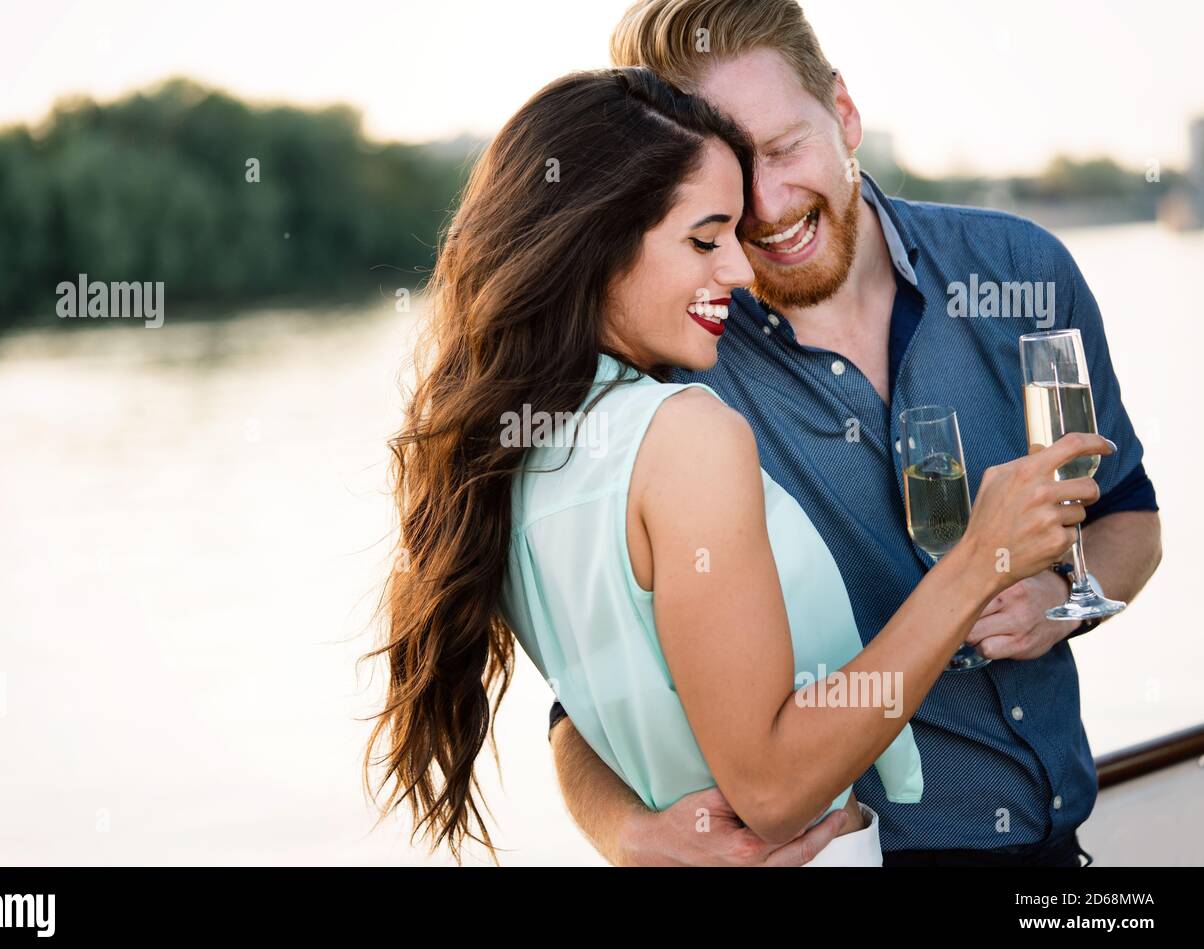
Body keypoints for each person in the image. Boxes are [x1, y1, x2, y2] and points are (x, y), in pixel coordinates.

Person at [361, 65, 1112, 865]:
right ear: (598, 237)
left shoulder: (516, 448)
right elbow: (777, 792)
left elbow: (618, 683)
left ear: (843, 113)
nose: (741, 270)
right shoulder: (687, 430)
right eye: (704, 239)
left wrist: (634, 835)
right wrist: (975, 563)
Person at [544, 0, 1162, 867]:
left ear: (843, 112)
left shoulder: (1020, 270)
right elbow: (589, 690)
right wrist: (628, 834)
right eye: (728, 172)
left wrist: (1061, 598)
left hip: (1062, 859)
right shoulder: (677, 375)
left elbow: (1130, 515)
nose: (764, 206)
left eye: (787, 148)